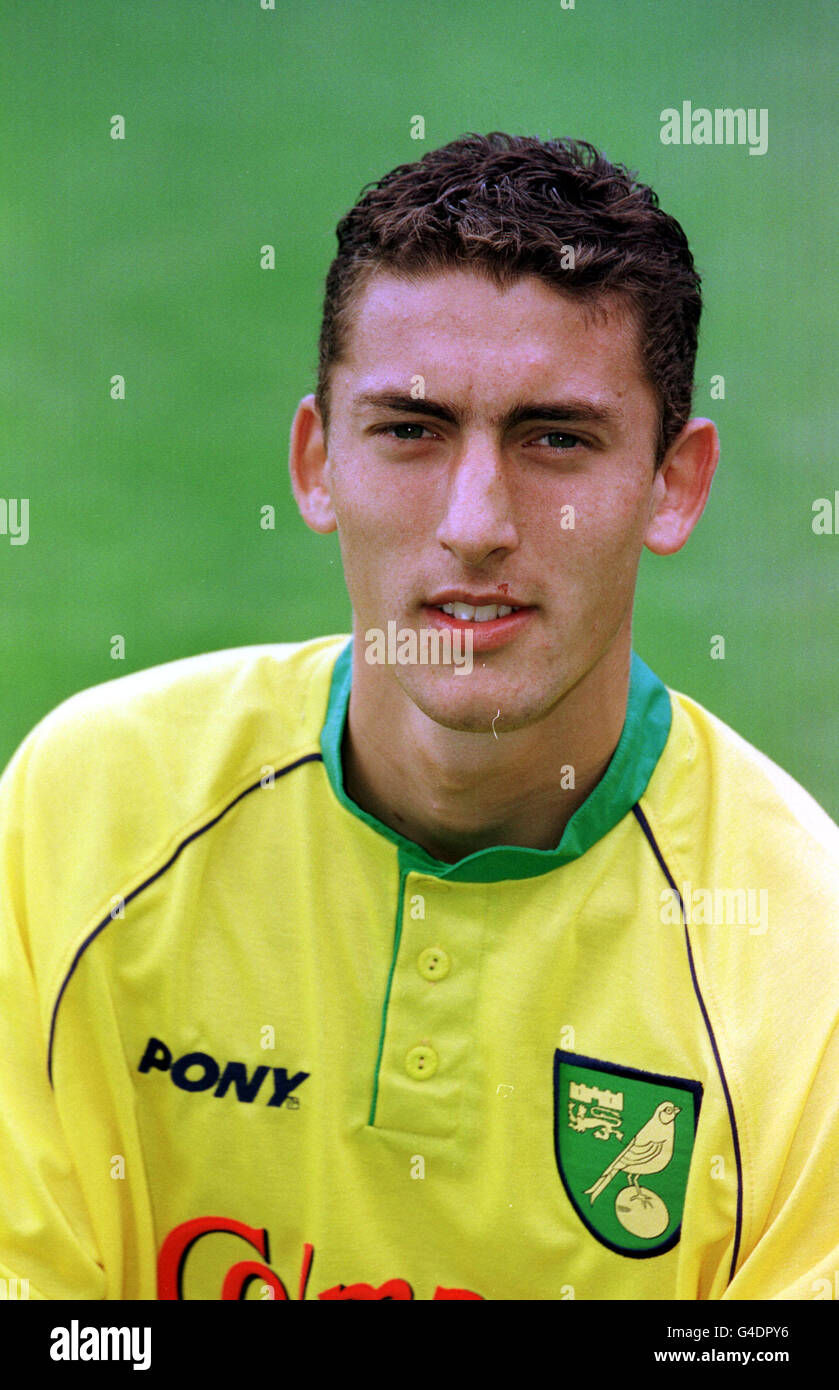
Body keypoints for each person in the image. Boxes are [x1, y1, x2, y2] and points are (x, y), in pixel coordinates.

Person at [1, 132, 837, 1302]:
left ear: (670, 483)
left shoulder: (807, 962)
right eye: (410, 429)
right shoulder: (81, 807)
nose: (475, 520)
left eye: (555, 438)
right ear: (314, 461)